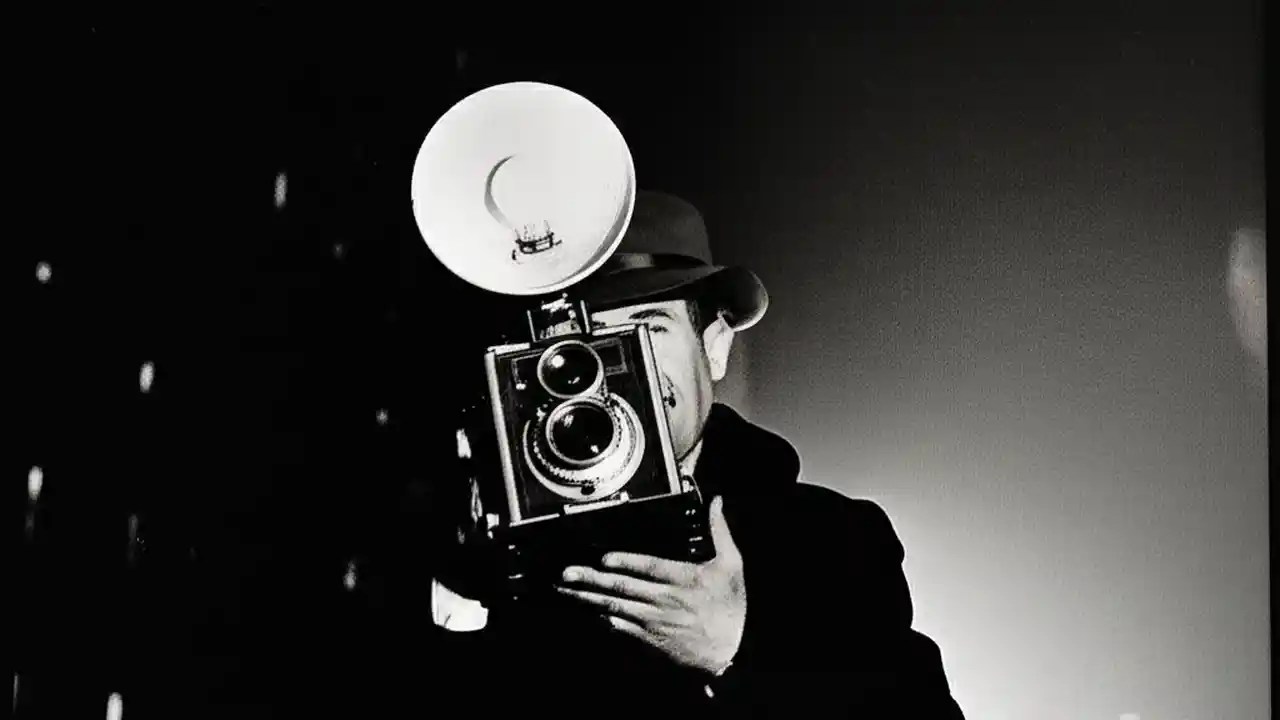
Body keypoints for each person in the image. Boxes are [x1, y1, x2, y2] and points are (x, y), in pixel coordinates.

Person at [398, 190, 966, 718]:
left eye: (647, 329)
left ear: (713, 347)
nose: (615, 375)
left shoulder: (831, 542)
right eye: (582, 349)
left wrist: (735, 651)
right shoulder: (491, 540)